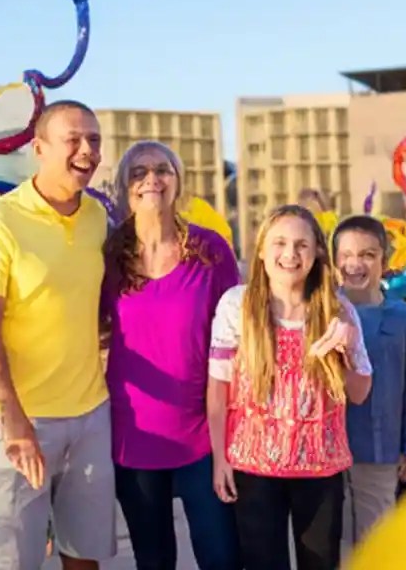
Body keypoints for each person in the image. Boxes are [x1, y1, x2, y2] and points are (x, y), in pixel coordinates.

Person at [0, 99, 116, 570]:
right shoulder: (1, 222)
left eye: (94, 140)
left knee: (85, 556)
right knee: (12, 563)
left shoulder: (96, 219)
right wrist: (13, 418)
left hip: (90, 415)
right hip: (17, 421)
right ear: (39, 148)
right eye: (73, 139)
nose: (87, 150)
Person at [207, 205, 374, 570]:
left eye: (302, 245)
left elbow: (359, 392)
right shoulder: (237, 305)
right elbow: (218, 388)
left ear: (316, 253)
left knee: (320, 563)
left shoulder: (338, 310)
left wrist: (345, 351)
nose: (290, 254)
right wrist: (219, 459)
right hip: (254, 468)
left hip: (320, 470)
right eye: (280, 242)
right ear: (262, 249)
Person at [102, 140, 242, 570]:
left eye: (162, 170)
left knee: (221, 555)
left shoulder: (211, 250)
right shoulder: (107, 257)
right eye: (139, 173)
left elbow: (239, 335)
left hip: (204, 433)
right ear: (124, 187)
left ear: (177, 181)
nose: (152, 180)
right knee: (154, 559)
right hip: (134, 433)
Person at [331, 215, 406, 544]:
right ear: (333, 263)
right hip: (326, 455)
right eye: (346, 256)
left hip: (380, 453)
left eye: (367, 255)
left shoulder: (403, 316)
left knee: (376, 543)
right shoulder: (321, 312)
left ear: (384, 262)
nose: (355, 264)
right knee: (334, 545)